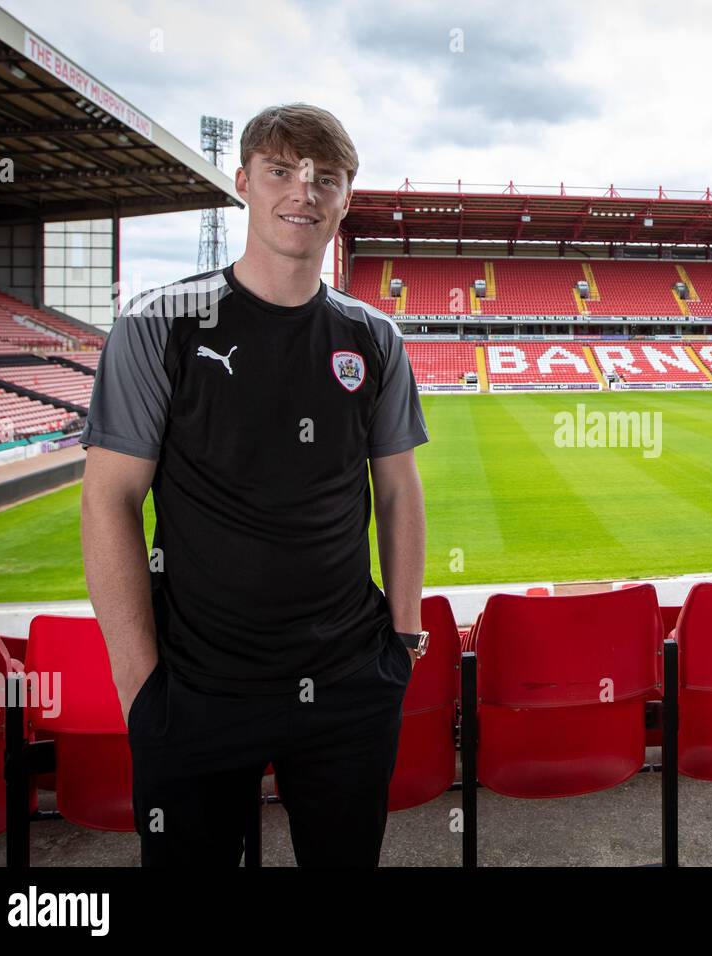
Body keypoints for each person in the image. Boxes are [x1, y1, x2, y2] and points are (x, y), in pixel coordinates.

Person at [79, 103, 429, 866]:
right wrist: (142, 684)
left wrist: (401, 639)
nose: (303, 192)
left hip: (348, 684)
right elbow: (109, 499)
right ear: (242, 182)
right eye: (281, 171)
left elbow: (399, 491)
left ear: (344, 197)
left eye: (324, 178)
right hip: (196, 689)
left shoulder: (375, 337)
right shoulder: (157, 324)